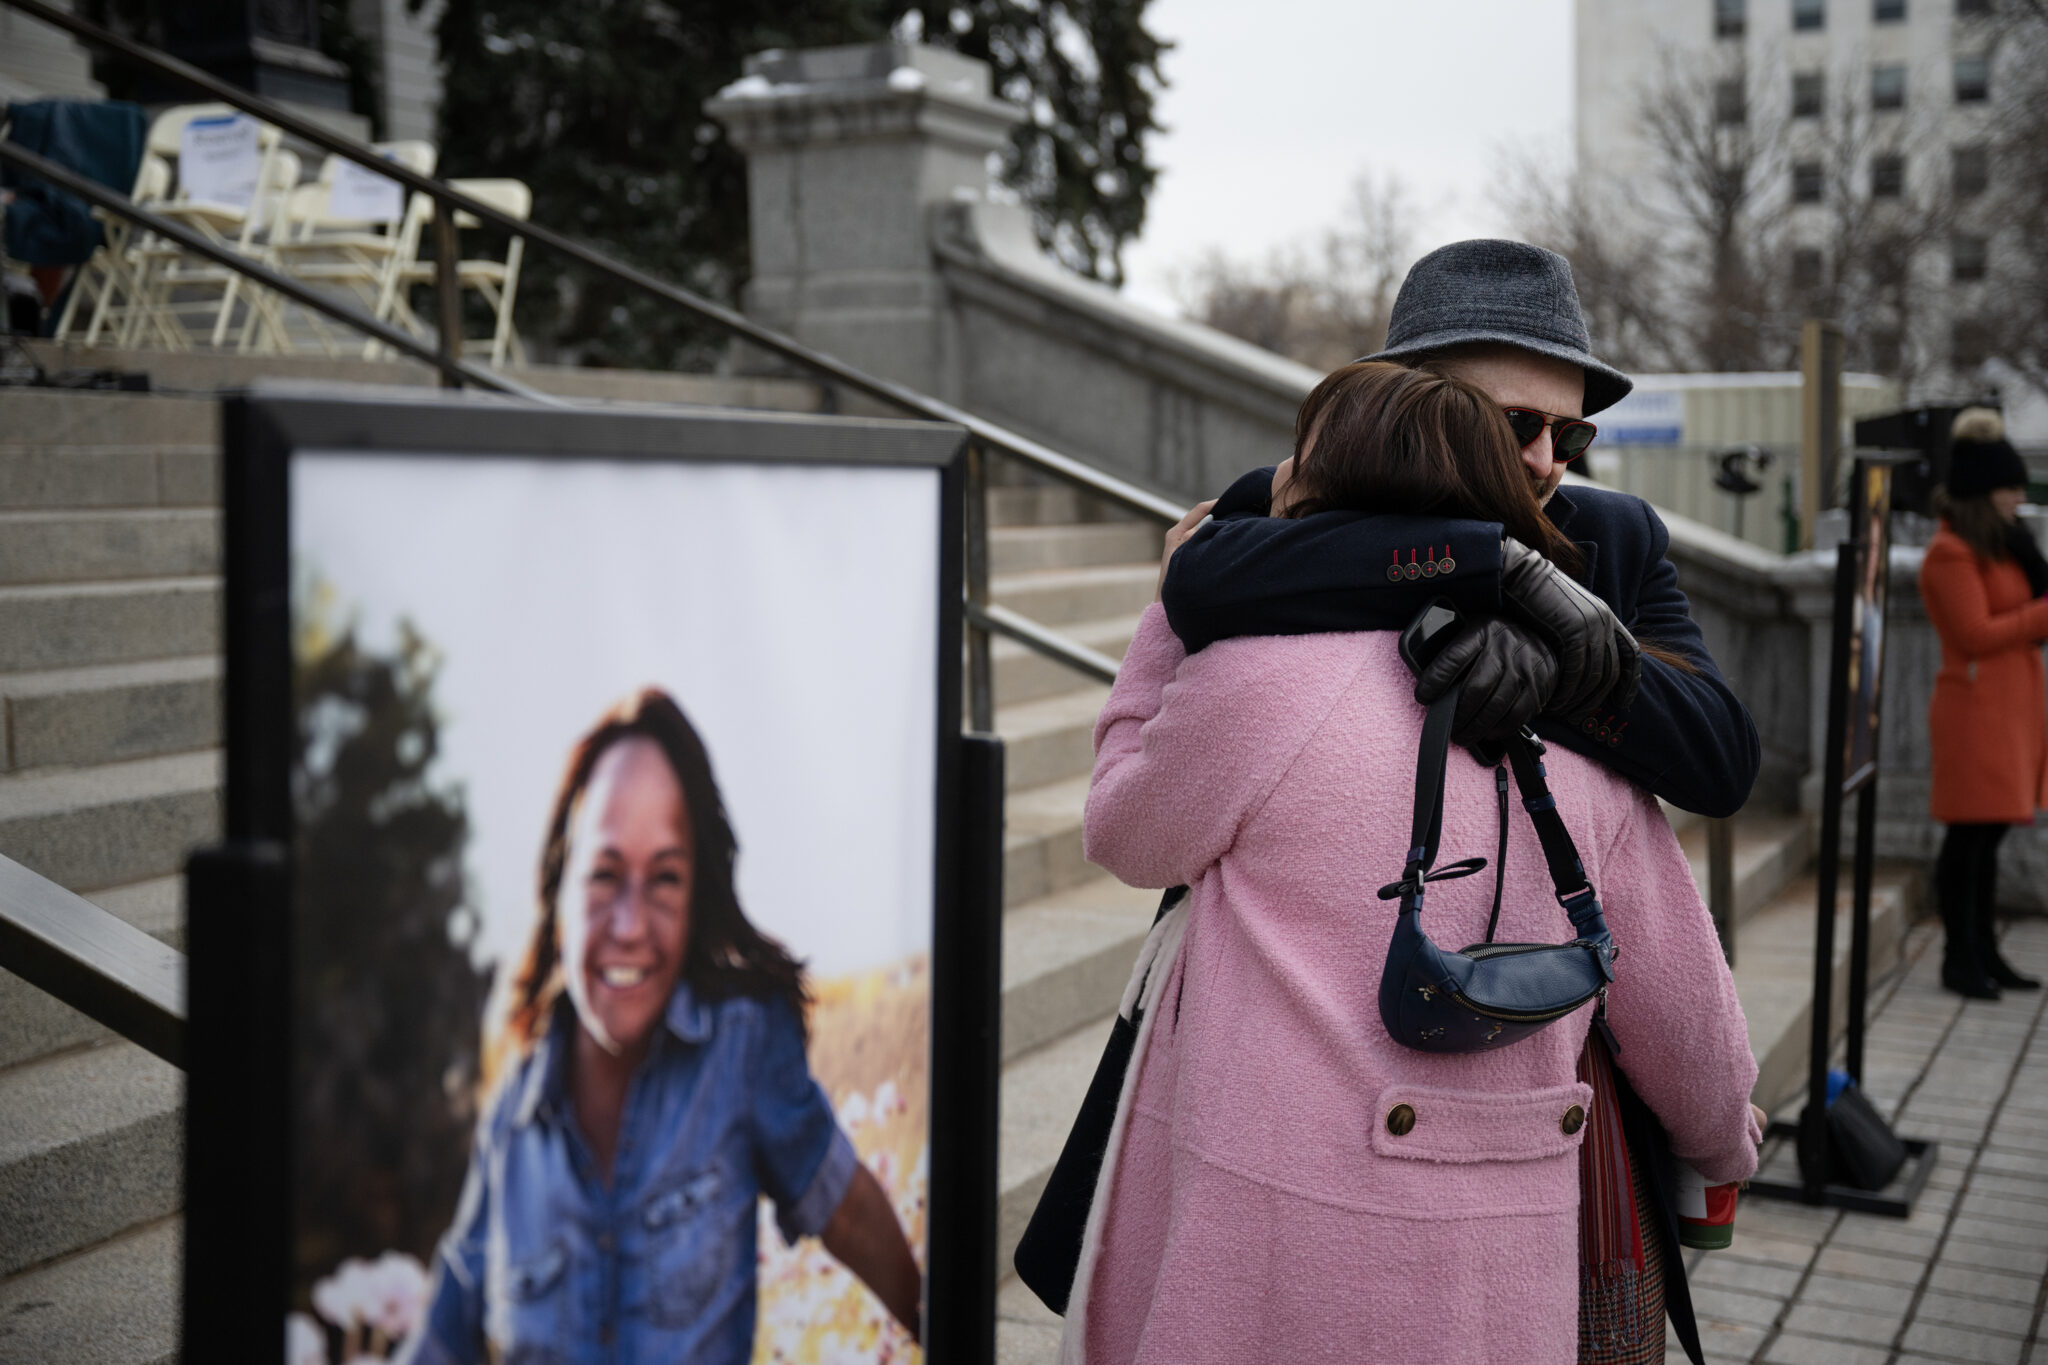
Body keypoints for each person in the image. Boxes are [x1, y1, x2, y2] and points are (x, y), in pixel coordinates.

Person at [1071, 362, 1761, 1364]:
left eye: (1567, 440)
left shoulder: (1249, 685)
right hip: (1494, 1244)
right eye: (1516, 428)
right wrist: (1718, 1145)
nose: (1545, 459)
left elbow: (1125, 834)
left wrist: (1164, 632)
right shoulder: (1591, 748)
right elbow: (1683, 1012)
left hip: (1263, 1217)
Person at [401, 688, 921, 1364]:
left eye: (666, 879)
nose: (630, 924)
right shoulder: (512, 1124)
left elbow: (847, 1211)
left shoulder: (741, 1046)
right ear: (560, 887)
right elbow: (442, 1341)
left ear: (698, 893)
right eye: (605, 875)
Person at [1919, 409, 2048, 1000]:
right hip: (1976, 714)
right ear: (1982, 492)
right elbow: (1974, 632)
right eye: (2010, 488)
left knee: (1991, 836)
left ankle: (1987, 953)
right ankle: (1958, 957)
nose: (2019, 499)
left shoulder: (2005, 545)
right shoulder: (1950, 551)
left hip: (2011, 709)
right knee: (1968, 840)